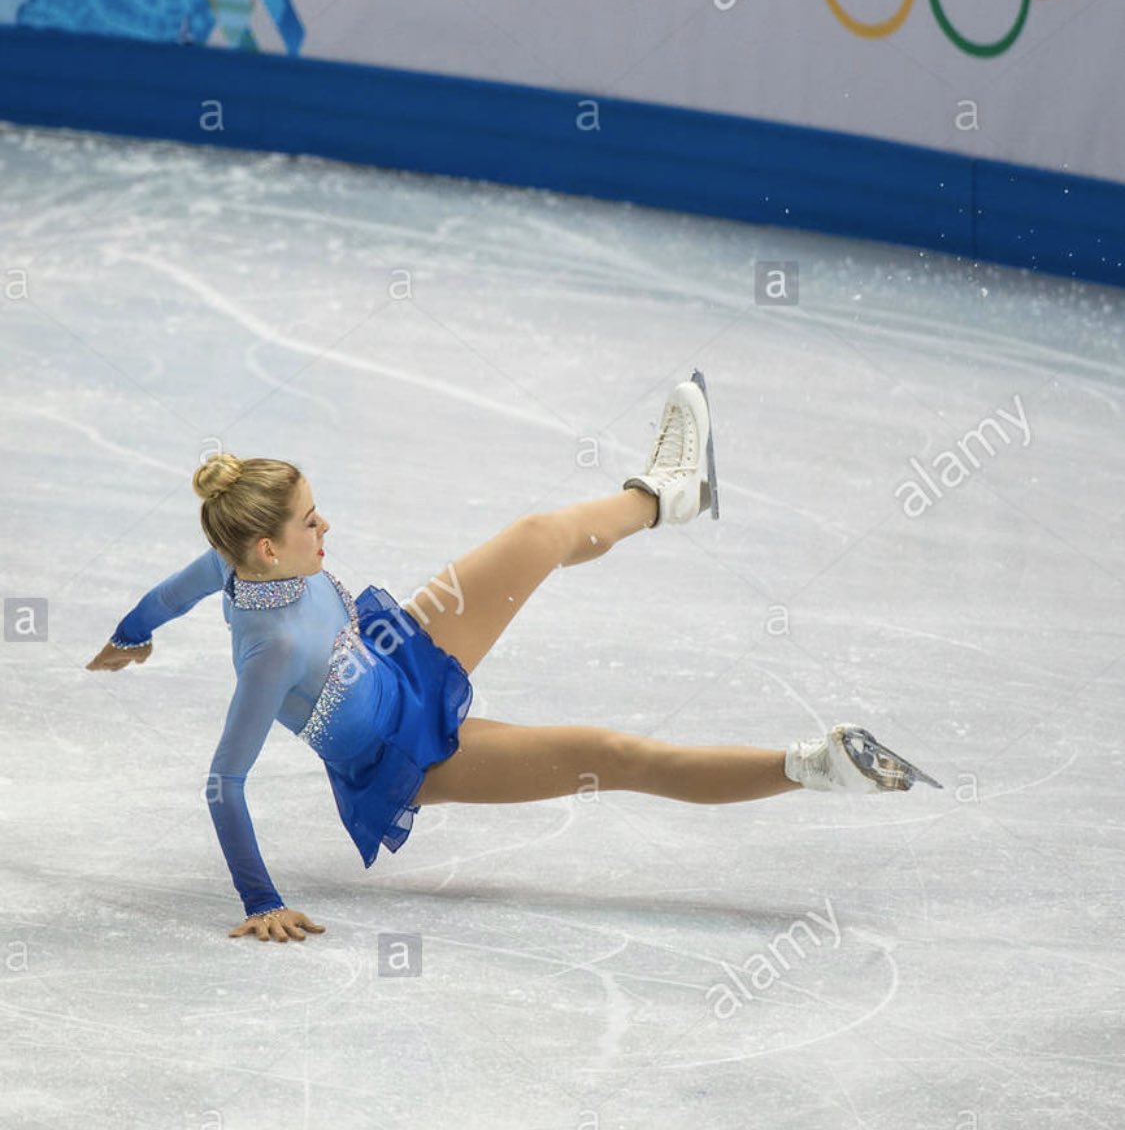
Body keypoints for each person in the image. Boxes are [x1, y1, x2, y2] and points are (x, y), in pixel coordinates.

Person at [86, 373, 934, 944]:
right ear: (267, 551)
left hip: (399, 648)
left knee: (535, 535)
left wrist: (131, 634)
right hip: (409, 756)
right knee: (612, 756)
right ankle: (814, 767)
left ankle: (669, 495)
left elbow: (169, 596)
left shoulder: (232, 559)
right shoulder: (268, 650)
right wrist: (261, 902)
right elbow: (222, 782)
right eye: (312, 522)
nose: (326, 528)